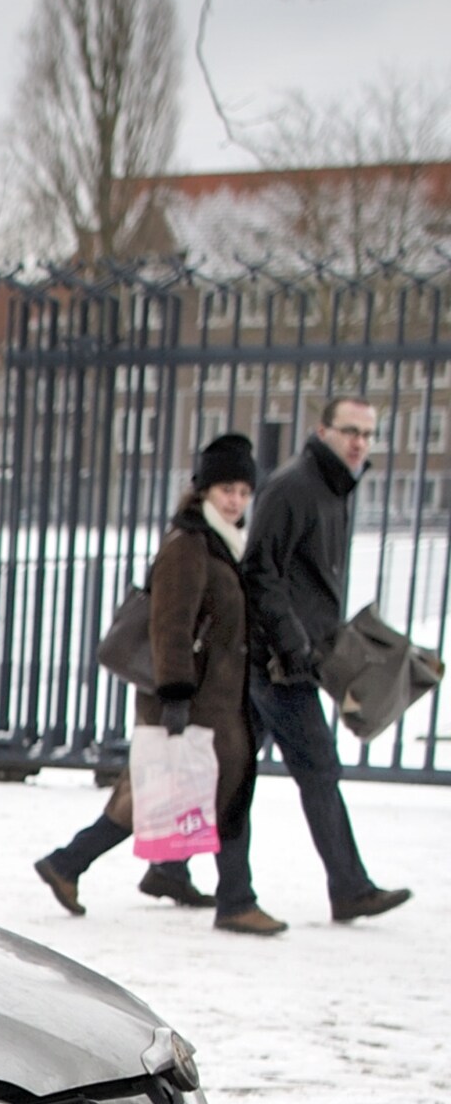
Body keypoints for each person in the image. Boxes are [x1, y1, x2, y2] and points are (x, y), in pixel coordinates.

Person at [35, 433, 273, 930]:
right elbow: (170, 624)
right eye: (226, 489)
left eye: (243, 491)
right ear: (204, 491)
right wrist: (176, 696)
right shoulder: (188, 546)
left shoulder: (226, 545)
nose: (235, 500)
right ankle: (236, 901)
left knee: (159, 796)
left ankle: (77, 864)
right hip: (193, 698)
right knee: (223, 792)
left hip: (217, 699)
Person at [239, 394, 410, 925]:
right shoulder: (295, 487)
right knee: (318, 770)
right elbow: (261, 571)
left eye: (367, 433)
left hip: (293, 658)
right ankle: (349, 887)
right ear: (322, 430)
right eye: (349, 431)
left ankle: (148, 867)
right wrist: (294, 646)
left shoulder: (333, 488)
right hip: (277, 662)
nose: (359, 442)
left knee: (233, 775)